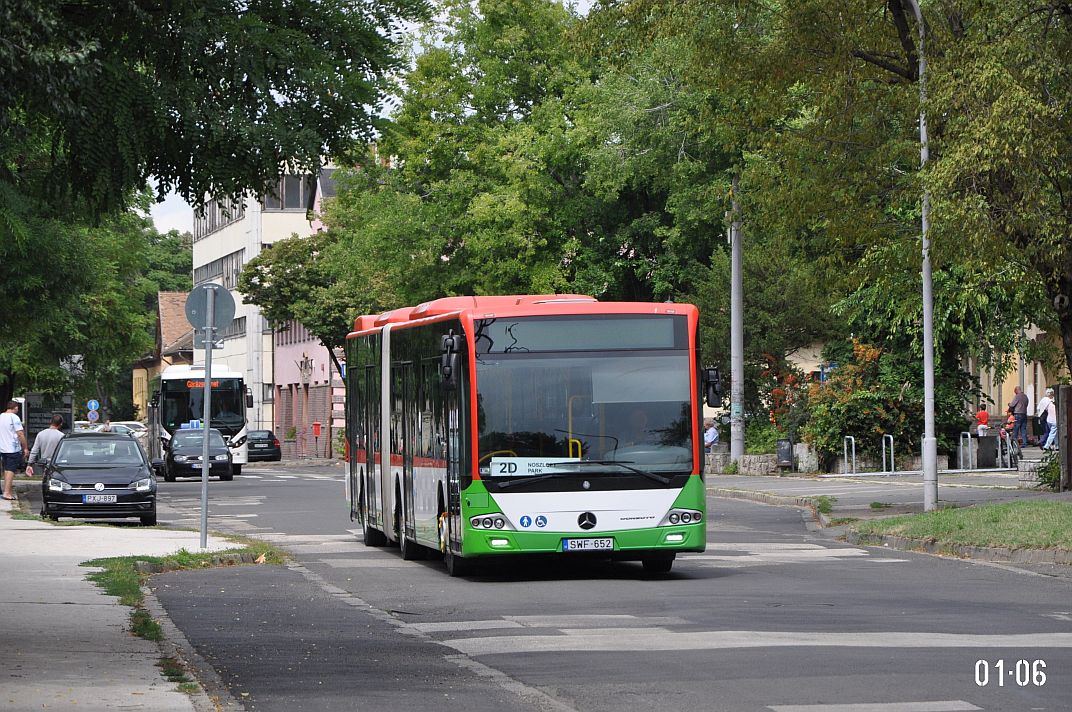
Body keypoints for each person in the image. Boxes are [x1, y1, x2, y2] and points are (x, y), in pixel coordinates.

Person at [0, 400, 29, 501]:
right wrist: (25, 447)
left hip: (2, 448)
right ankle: (7, 492)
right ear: (15, 407)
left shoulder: (1, 416)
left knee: (6, 469)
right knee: (10, 470)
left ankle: (5, 490)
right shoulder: (14, 417)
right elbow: (20, 434)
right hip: (12, 448)